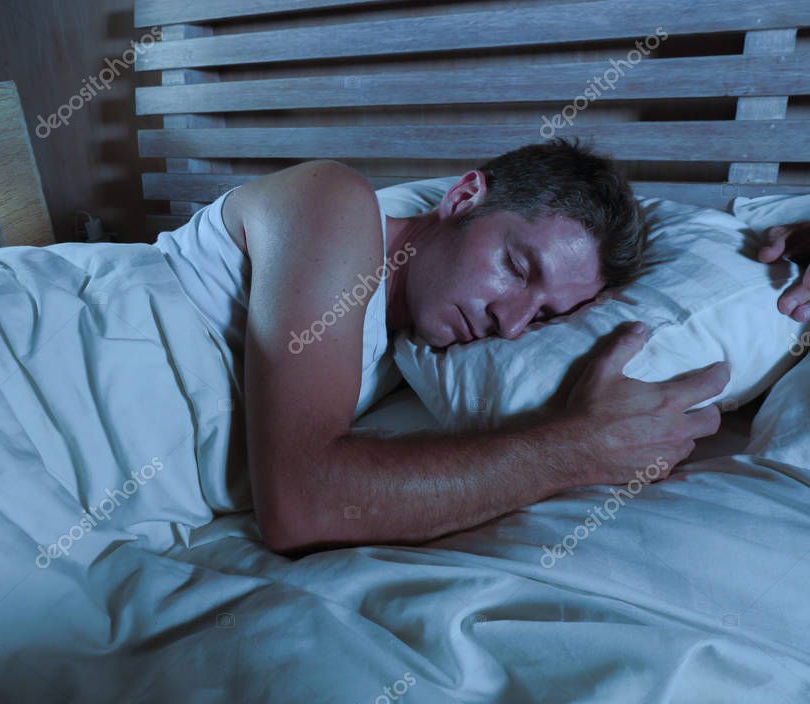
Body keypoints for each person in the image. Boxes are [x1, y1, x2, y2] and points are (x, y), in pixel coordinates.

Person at [154, 139, 739, 555]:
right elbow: (302, 504)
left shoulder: (408, 354)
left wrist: (784, 226)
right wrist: (581, 449)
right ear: (462, 198)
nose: (511, 324)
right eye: (517, 267)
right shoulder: (333, 203)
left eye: (543, 315)